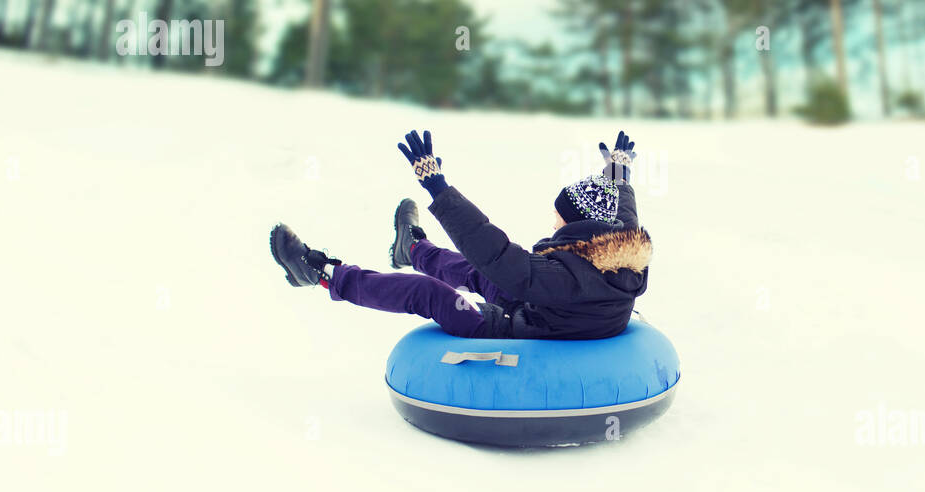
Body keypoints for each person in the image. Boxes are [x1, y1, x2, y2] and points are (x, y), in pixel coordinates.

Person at [269, 130, 651, 340]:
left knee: (429, 293)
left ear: (577, 228)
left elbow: (495, 251)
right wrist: (618, 176)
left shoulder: (565, 277)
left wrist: (439, 188)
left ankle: (323, 276)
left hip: (514, 328)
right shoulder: (623, 251)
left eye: (557, 219)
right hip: (548, 312)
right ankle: (413, 247)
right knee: (475, 273)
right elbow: (623, 211)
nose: (552, 225)